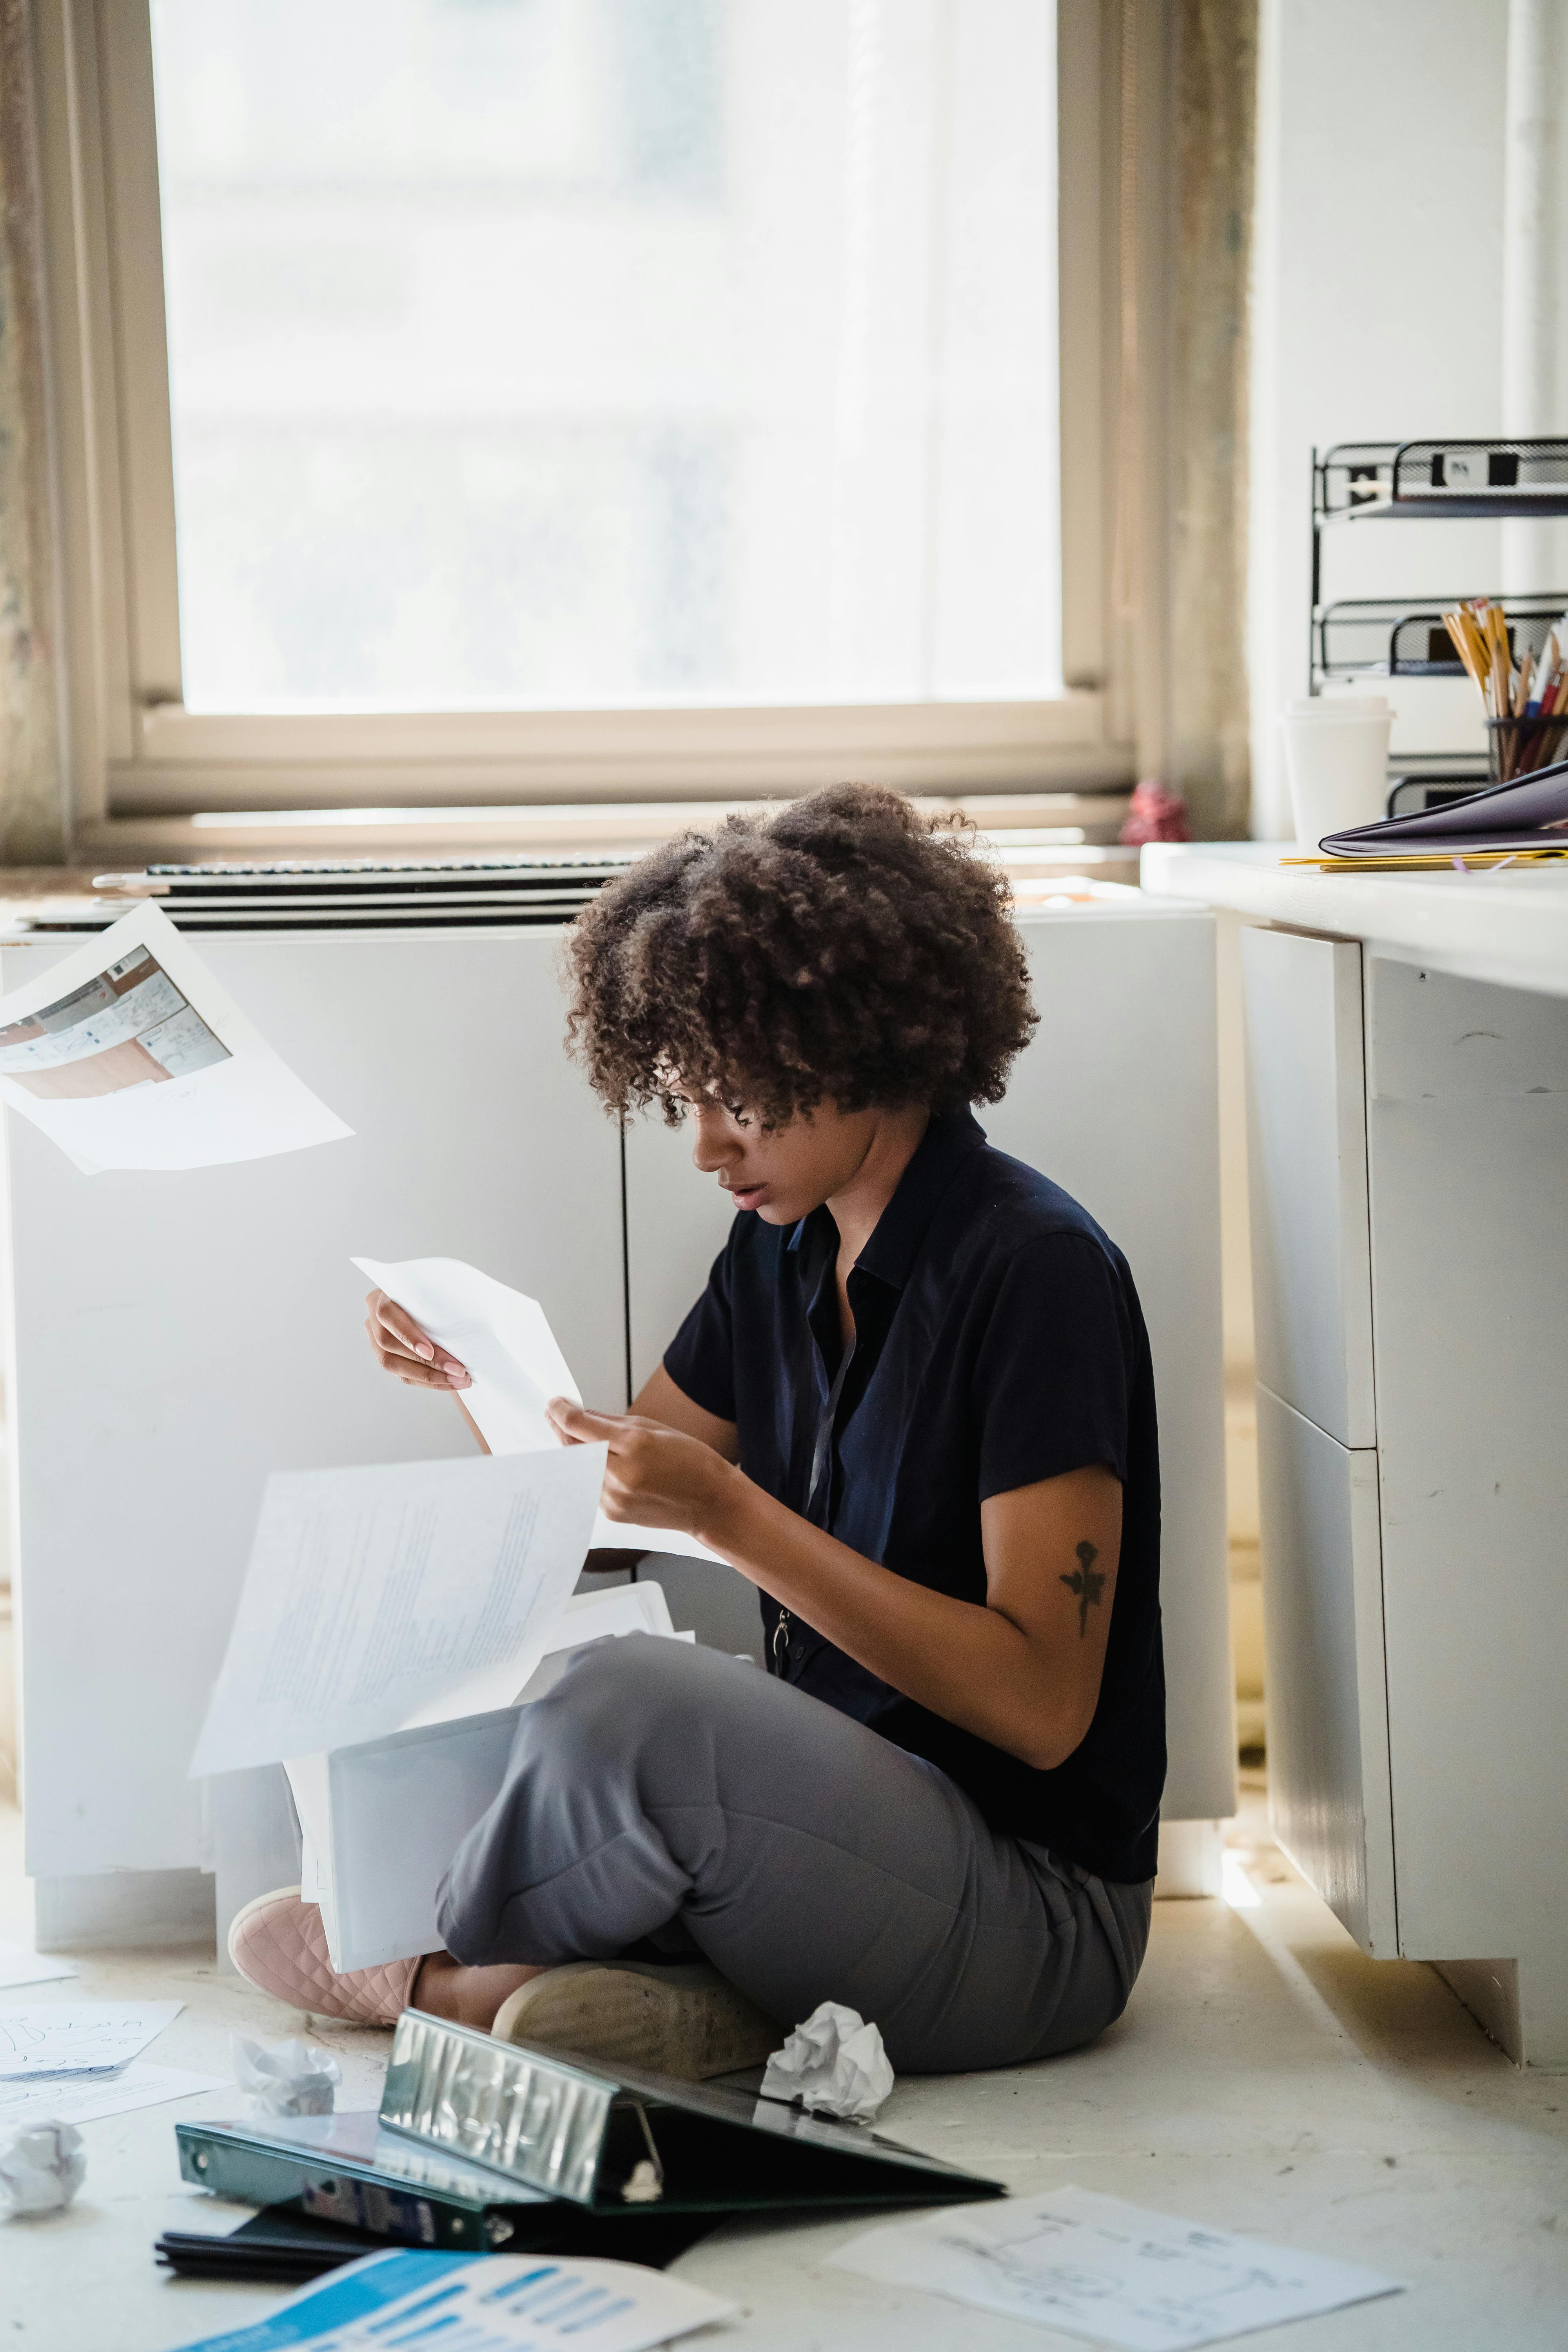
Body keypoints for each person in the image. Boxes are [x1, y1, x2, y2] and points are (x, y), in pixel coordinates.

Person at [230, 785, 1164, 2078]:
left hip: (1035, 1919)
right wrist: (464, 1374)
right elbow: (598, 1510)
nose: (709, 1146)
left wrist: (732, 1515)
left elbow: (1044, 1709)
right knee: (538, 1671)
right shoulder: (777, 1256)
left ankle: (447, 1963)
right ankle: (687, 1993)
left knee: (630, 1703)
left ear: (865, 1042)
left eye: (743, 1097)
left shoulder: (1034, 1270)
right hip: (844, 1848)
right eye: (690, 1096)